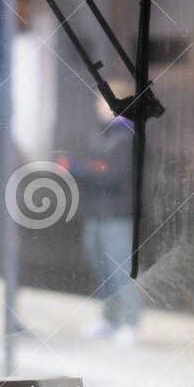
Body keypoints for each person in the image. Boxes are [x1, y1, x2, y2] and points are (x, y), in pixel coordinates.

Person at [74, 94, 142, 345]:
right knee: (103, 269)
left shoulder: (128, 136)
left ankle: (130, 323)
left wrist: (79, 168)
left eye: (108, 102)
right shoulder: (103, 135)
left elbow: (111, 175)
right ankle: (110, 319)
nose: (101, 108)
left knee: (121, 270)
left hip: (117, 215)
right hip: (97, 213)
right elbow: (98, 169)